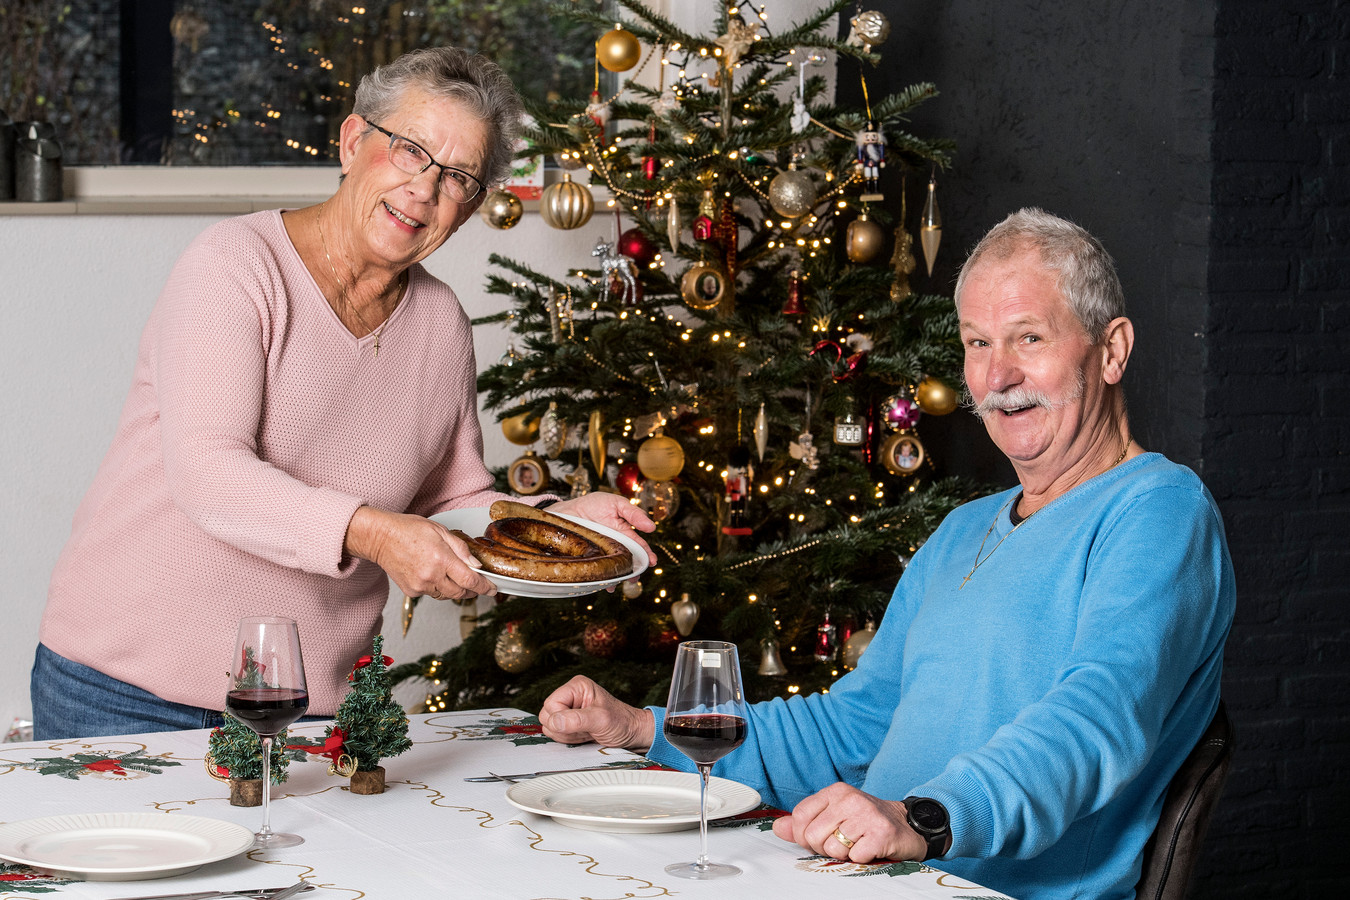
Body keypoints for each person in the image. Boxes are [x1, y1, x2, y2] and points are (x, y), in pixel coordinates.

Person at [539, 208, 1235, 900]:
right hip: (876, 882)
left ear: (1112, 350)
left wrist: (921, 819)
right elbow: (851, 729)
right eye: (978, 343)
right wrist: (642, 727)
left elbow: (1096, 719)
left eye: (1029, 337)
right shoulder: (963, 529)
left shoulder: (1159, 512)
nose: (997, 376)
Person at [33, 47, 654, 741]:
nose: (424, 189)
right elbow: (209, 475)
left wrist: (563, 523)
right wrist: (378, 533)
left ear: (472, 205)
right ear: (355, 142)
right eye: (411, 151)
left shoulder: (440, 322)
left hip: (309, 703)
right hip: (125, 692)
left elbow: (451, 503)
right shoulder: (235, 266)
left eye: (457, 178)